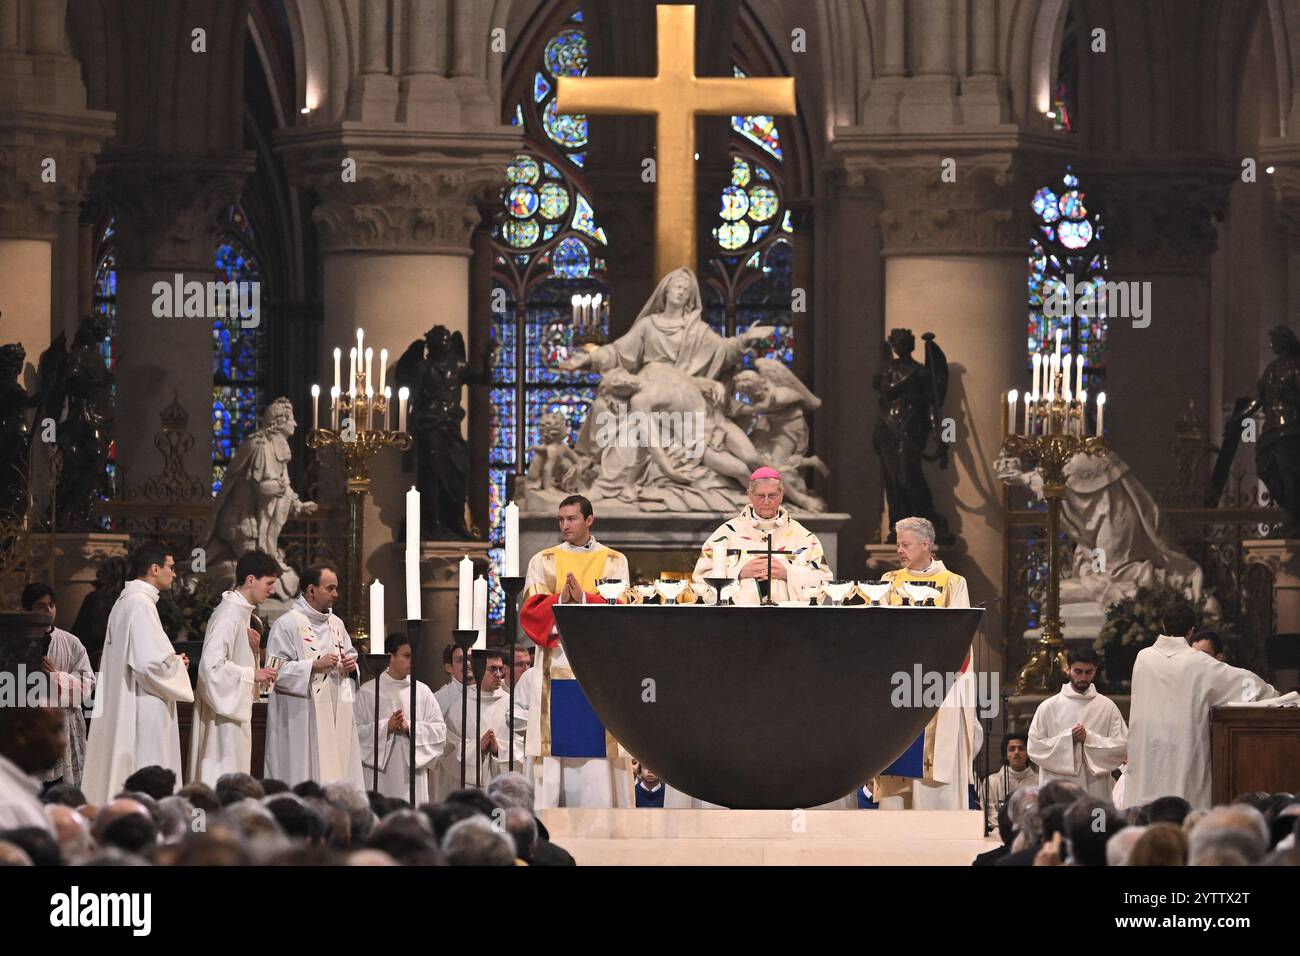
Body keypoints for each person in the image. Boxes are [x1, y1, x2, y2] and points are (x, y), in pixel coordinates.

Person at [520, 494, 634, 809]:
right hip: (556, 661)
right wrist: (563, 601)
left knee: (600, 749)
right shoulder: (542, 560)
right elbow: (531, 611)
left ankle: (604, 818)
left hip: (599, 666)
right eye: (561, 519)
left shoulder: (614, 559)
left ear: (589, 520)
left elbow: (620, 609)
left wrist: (582, 597)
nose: (565, 525)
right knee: (555, 745)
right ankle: (550, 816)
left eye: (572, 519)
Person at [871, 516, 981, 810]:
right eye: (898, 545)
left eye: (905, 545)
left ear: (925, 544)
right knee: (895, 756)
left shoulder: (953, 583)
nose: (900, 551)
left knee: (933, 762)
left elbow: (961, 634)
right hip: (896, 681)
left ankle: (937, 826)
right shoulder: (890, 581)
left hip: (935, 682)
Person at [1127, 605, 1278, 808]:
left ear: (1163, 625)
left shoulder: (1143, 658)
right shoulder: (1199, 663)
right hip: (1184, 749)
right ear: (1191, 630)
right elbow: (1243, 681)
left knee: (1148, 807)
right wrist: (1271, 692)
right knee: (1185, 808)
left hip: (1150, 748)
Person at [82, 544, 193, 806]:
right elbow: (148, 665)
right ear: (155, 569)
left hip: (131, 696)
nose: (174, 575)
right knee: (147, 764)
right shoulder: (140, 604)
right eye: (171, 567)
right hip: (143, 702)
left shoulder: (126, 602)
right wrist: (177, 665)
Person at [264, 563, 364, 787]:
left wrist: (351, 667)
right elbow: (272, 674)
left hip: (338, 713)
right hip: (302, 719)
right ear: (311, 590)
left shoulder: (336, 624)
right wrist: (313, 666)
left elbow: (351, 665)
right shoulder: (287, 624)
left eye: (336, 588)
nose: (336, 595)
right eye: (330, 588)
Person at [188, 551, 282, 786]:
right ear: (251, 579)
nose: (272, 591)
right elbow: (210, 667)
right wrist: (253, 674)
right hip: (222, 719)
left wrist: (254, 652)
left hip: (234, 710)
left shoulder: (242, 613)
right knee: (223, 777)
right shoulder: (228, 614)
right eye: (268, 583)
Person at [691, 467, 832, 605]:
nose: (766, 501)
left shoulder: (803, 537)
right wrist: (739, 572)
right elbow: (701, 580)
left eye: (772, 495)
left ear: (782, 494)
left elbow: (823, 581)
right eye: (760, 496)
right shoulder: (726, 534)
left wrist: (787, 573)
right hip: (738, 620)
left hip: (788, 620)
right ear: (749, 495)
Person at [354, 632, 446, 803]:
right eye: (406, 656)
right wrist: (385, 727)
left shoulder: (422, 691)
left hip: (413, 775)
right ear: (391, 657)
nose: (412, 660)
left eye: (413, 656)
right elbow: (352, 734)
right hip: (381, 776)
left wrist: (409, 727)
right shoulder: (367, 692)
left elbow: (440, 733)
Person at [20, 583, 95, 787]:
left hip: (62, 724)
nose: (48, 610)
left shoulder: (71, 642)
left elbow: (87, 683)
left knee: (61, 788)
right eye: (40, 606)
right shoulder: (14, 641)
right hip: (25, 723)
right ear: (27, 610)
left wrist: (57, 677)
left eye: (51, 605)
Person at [1027, 647, 1127, 798]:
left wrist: (1089, 738)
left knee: (1094, 820)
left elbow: (1121, 747)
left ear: (1095, 671)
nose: (1083, 677)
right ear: (1068, 670)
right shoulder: (1048, 707)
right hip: (1058, 788)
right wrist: (1068, 738)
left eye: (1089, 672)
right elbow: (1035, 748)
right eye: (1078, 671)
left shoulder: (1107, 707)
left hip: (1096, 788)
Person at [433, 648, 511, 798]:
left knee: (498, 820)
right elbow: (448, 749)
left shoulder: (511, 704)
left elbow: (522, 745)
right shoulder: (458, 708)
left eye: (501, 669)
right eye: (492, 669)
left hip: (502, 788)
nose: (499, 675)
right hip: (468, 790)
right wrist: (477, 748)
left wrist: (498, 749)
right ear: (479, 670)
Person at [0, 703, 64, 832]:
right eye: (55, 730)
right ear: (21, 734)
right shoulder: (10, 806)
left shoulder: (18, 793)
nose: (62, 742)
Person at [983, 733, 1035, 829]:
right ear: (1005, 755)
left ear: (1028, 753)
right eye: (1011, 749)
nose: (1016, 752)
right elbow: (990, 815)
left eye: (1021, 748)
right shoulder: (992, 782)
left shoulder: (1038, 781)